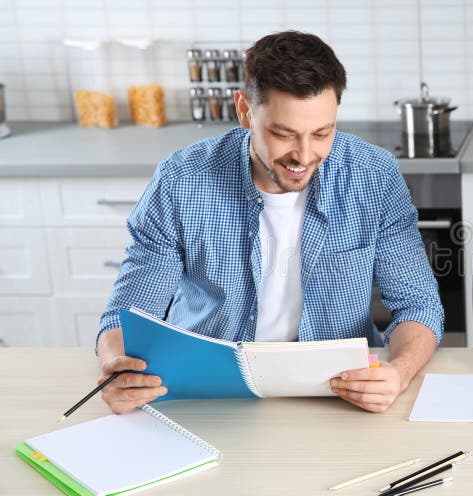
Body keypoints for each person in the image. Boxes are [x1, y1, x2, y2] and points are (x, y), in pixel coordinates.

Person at [95, 31, 444, 414]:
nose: (305, 155)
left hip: (336, 397)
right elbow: (126, 317)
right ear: (245, 110)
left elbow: (418, 305)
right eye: (283, 134)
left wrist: (398, 371)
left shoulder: (373, 176)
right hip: (206, 392)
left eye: (322, 133)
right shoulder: (181, 181)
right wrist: (117, 368)